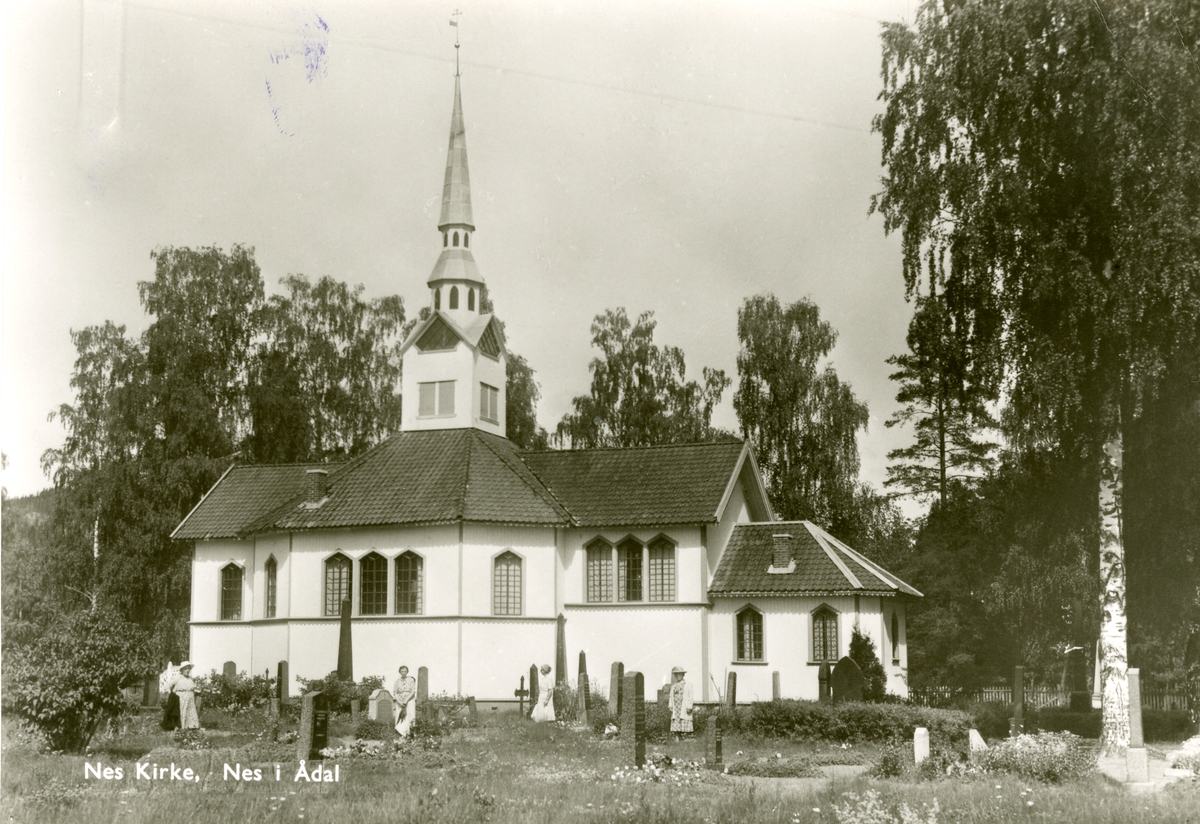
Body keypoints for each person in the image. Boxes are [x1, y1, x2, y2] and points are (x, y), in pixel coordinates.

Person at [170, 661, 200, 730]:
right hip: (181, 698)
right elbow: (168, 685)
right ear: (182, 669)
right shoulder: (178, 677)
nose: (188, 670)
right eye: (186, 668)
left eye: (189, 669)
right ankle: (181, 727)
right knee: (182, 712)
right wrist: (172, 695)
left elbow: (193, 687)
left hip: (190, 699)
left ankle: (191, 727)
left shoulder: (190, 679)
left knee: (190, 712)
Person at [669, 666, 693, 740]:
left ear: (683, 675)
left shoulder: (688, 685)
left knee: (684, 719)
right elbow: (671, 696)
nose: (678, 676)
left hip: (684, 706)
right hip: (676, 707)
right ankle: (677, 738)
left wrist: (689, 706)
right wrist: (670, 705)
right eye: (676, 674)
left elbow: (690, 696)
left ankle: (685, 738)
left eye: (680, 674)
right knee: (676, 720)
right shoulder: (674, 686)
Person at [393, 665, 417, 738]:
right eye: (402, 671)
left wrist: (406, 700)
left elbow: (412, 691)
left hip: (409, 699)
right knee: (400, 715)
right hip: (400, 700)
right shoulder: (397, 681)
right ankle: (401, 734)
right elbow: (395, 693)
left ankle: (410, 733)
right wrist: (399, 701)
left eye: (405, 671)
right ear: (400, 672)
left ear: (407, 672)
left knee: (410, 715)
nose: (403, 673)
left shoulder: (410, 680)